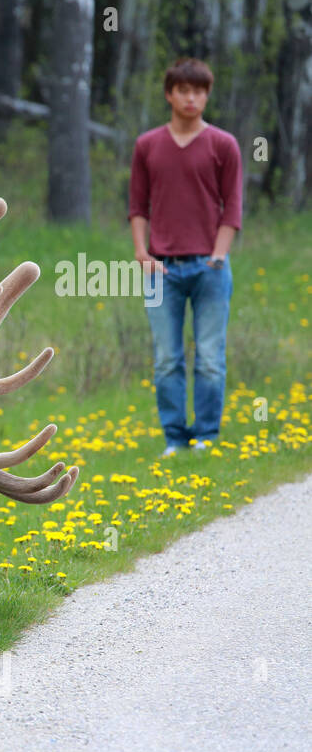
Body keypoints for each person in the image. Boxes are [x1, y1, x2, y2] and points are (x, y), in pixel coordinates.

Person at [129, 57, 243, 458]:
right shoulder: (148, 145)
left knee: (210, 357)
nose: (191, 98)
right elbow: (137, 205)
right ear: (169, 94)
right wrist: (142, 253)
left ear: (207, 95)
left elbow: (233, 207)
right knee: (166, 359)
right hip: (161, 269)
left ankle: (206, 437)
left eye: (199, 91)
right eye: (183, 90)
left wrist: (218, 255)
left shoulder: (223, 145)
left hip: (211, 267)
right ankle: (175, 439)